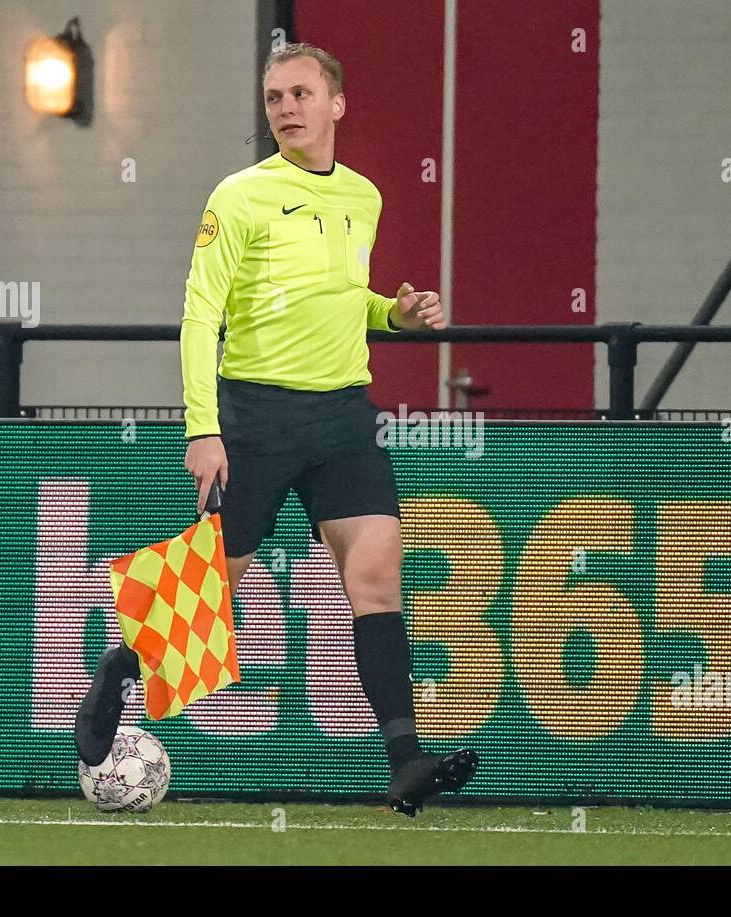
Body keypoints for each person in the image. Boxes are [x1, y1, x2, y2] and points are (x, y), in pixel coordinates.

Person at [76, 42, 478, 817]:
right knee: (211, 596)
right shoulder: (240, 196)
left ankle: (404, 759)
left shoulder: (363, 196)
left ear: (337, 103)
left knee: (377, 571)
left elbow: (344, 297)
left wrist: (390, 314)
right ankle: (122, 667)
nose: (286, 108)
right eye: (273, 98)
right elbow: (201, 314)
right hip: (255, 417)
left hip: (342, 416)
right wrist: (204, 426)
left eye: (300, 93)